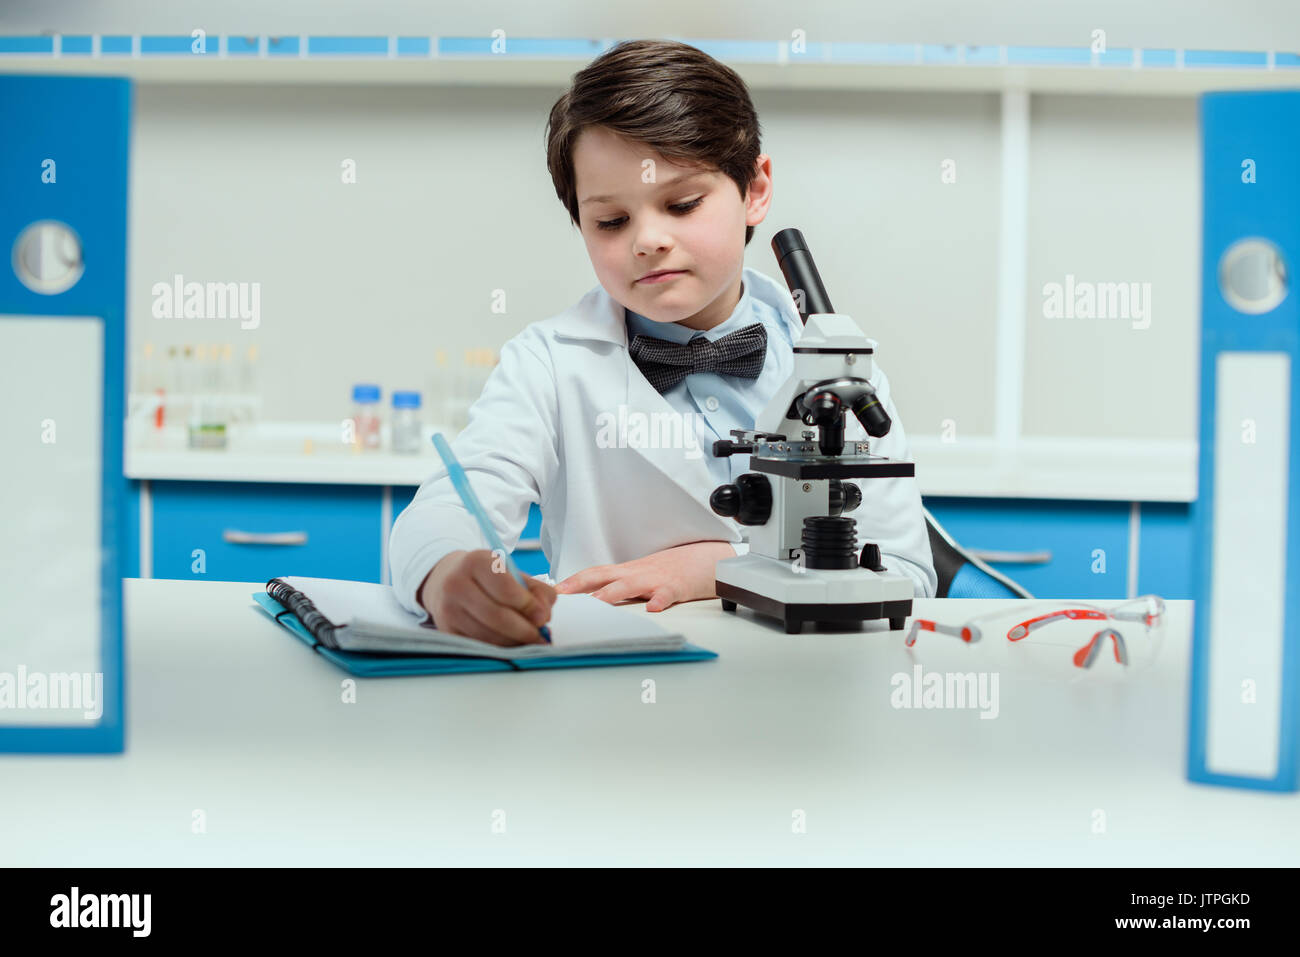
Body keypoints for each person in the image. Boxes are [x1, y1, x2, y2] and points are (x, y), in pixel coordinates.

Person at [390, 39, 936, 646]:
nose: (647, 240)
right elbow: (447, 508)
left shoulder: (836, 366)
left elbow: (908, 575)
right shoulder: (548, 363)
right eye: (611, 221)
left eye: (681, 203)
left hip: (802, 692)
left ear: (755, 190)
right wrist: (444, 573)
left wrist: (717, 568)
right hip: (611, 684)